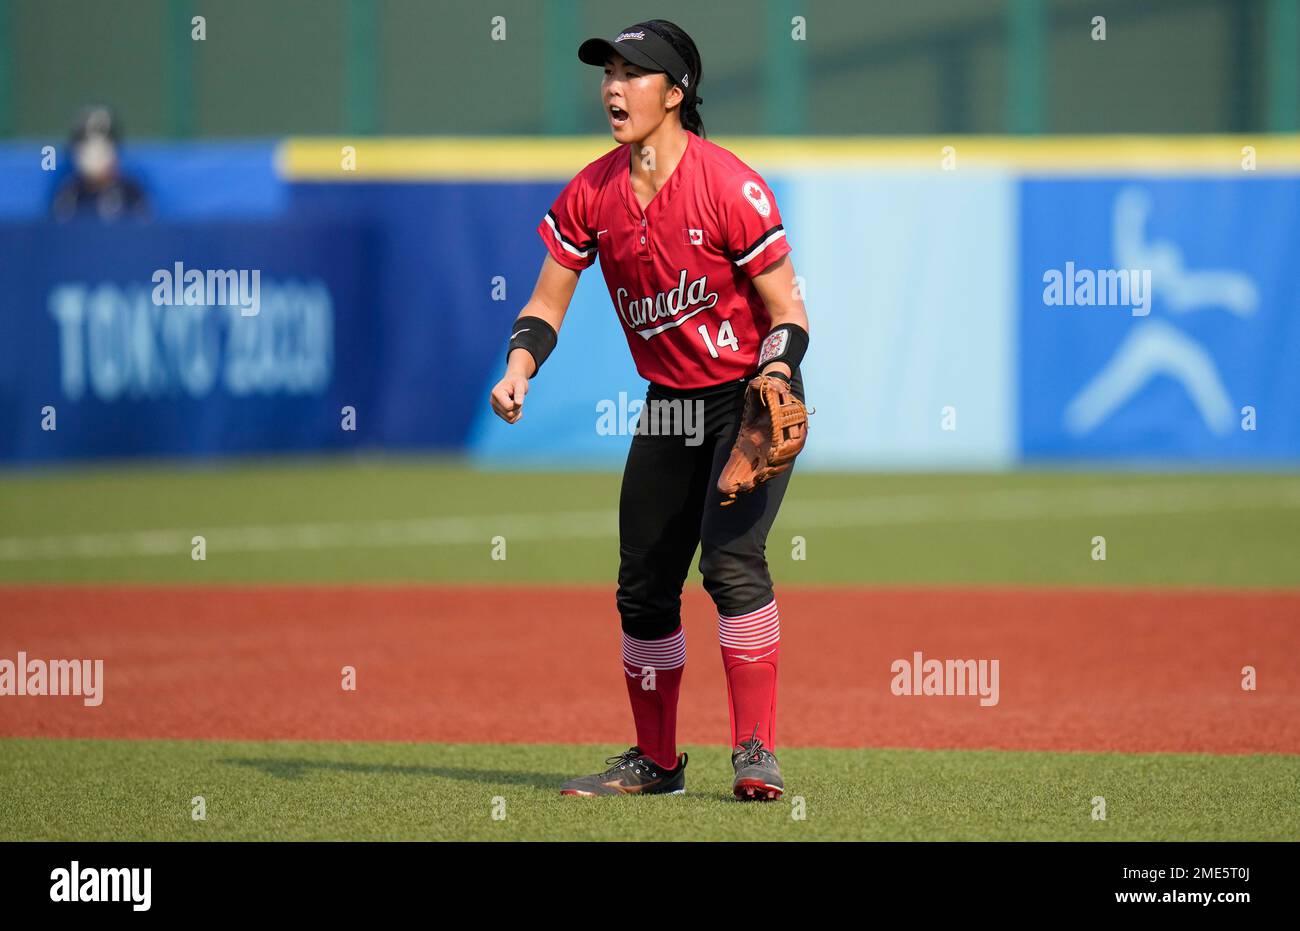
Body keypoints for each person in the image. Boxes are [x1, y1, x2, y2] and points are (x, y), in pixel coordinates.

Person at [488, 20, 810, 801]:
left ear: (677, 93)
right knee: (643, 583)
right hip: (671, 406)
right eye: (609, 72)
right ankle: (657, 761)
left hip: (745, 400)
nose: (613, 87)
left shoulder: (729, 185)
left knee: (732, 564)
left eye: (634, 73)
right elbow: (544, 301)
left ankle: (755, 750)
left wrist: (777, 373)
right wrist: (519, 366)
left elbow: (789, 311)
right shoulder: (593, 191)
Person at [50, 106, 150, 222]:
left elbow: (146, 231)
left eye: (103, 147)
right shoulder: (68, 195)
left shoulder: (131, 194)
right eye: (86, 146)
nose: (95, 155)